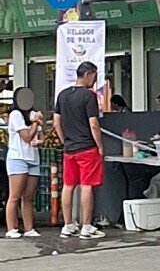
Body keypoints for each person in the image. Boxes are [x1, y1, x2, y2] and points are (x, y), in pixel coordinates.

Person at [53, 61, 105, 240]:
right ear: (88, 74)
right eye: (95, 76)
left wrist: (64, 140)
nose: (95, 80)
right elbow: (94, 124)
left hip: (69, 149)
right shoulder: (89, 96)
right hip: (87, 148)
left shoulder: (63, 95)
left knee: (68, 186)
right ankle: (87, 226)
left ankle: (67, 225)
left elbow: (56, 122)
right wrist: (99, 146)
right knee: (87, 186)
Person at [5, 87, 44, 239]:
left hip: (33, 158)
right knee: (14, 195)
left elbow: (40, 136)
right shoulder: (15, 115)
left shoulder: (34, 114)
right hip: (18, 158)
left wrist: (39, 140)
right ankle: (11, 228)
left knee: (28, 197)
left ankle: (29, 228)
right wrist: (35, 122)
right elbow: (27, 136)